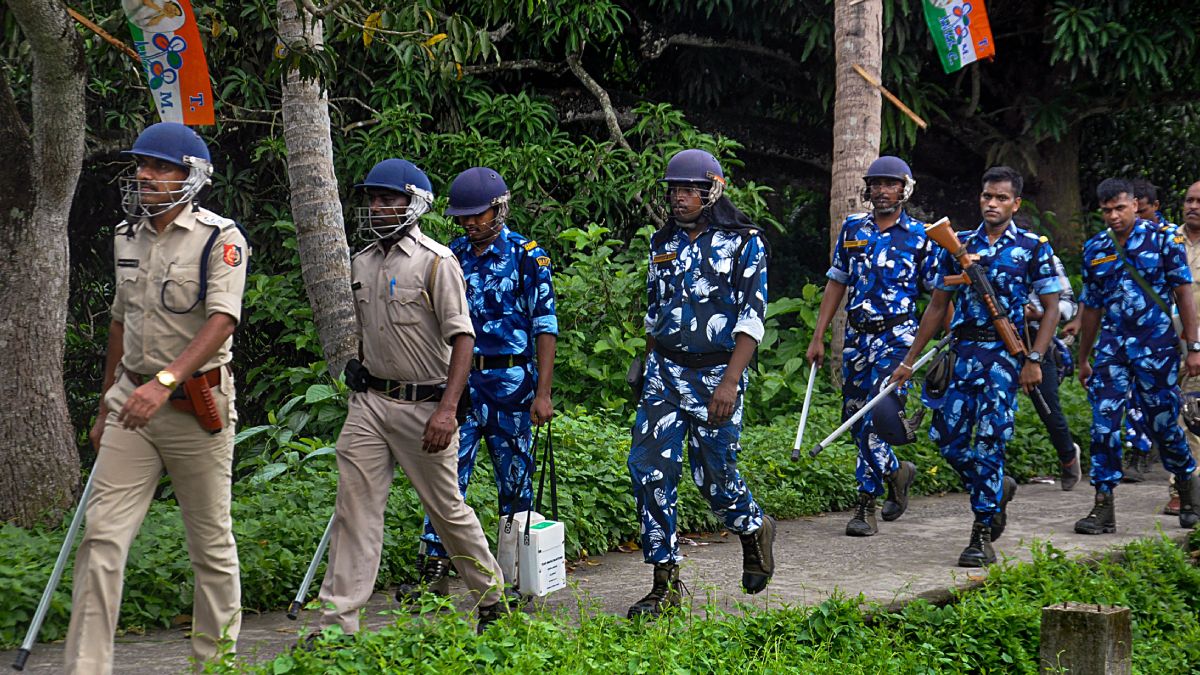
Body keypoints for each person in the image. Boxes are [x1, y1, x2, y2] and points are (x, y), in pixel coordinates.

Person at [66, 122, 247, 673]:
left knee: (210, 544)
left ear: (191, 178)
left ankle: (213, 666)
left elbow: (221, 322)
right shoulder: (126, 234)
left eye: (161, 166)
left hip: (196, 404)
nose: (145, 174)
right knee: (101, 537)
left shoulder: (221, 238)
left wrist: (163, 382)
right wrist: (105, 407)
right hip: (130, 402)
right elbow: (120, 324)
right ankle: (85, 667)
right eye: (142, 165)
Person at [311, 159, 508, 638]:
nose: (378, 207)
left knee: (446, 510)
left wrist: (447, 408)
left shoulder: (436, 262)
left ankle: (492, 600)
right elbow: (366, 329)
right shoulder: (361, 262)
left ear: (414, 204)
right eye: (373, 199)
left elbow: (463, 339)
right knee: (354, 509)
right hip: (370, 405)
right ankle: (337, 625)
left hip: (425, 407)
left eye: (388, 199)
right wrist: (358, 363)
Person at [626, 148, 775, 617]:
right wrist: (646, 362)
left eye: (691, 189)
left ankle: (753, 529)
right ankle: (664, 583)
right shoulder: (661, 242)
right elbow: (656, 310)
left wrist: (731, 381)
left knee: (715, 475)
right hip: (664, 374)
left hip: (718, 374)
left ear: (713, 191)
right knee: (649, 471)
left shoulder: (745, 241)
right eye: (675, 189)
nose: (681, 197)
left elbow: (752, 318)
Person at [397, 167, 558, 599]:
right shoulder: (450, 256)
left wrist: (542, 393)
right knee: (446, 477)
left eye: (478, 215)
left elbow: (545, 326)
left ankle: (519, 576)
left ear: (498, 209)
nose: (470, 223)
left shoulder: (528, 256)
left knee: (515, 481)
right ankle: (434, 571)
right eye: (463, 217)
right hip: (460, 385)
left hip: (512, 383)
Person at [890, 166, 1061, 567]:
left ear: (1016, 204)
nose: (992, 204)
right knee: (945, 438)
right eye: (987, 196)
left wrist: (1034, 358)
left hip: (1004, 358)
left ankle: (982, 531)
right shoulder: (957, 244)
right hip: (963, 356)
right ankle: (996, 488)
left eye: (1002, 198)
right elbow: (936, 306)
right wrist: (908, 361)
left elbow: (1051, 309)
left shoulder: (1033, 247)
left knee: (989, 443)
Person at [807, 156, 934, 536]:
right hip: (857, 337)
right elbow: (836, 282)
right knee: (856, 417)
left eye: (889, 184)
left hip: (897, 338)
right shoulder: (853, 228)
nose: (881, 190)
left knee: (880, 415)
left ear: (905, 189)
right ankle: (896, 472)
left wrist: (924, 350)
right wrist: (819, 335)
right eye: (875, 183)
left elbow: (939, 296)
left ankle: (866, 503)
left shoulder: (922, 236)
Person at [1074, 178, 1200, 535]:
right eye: (1106, 210)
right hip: (1112, 350)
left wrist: (1193, 347)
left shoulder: (1164, 240)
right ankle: (1103, 506)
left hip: (1156, 348)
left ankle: (1187, 485)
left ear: (1135, 205)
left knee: (1163, 423)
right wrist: (1084, 357)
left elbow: (1183, 293)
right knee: (1104, 425)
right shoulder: (1096, 247)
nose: (1113, 216)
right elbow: (1092, 307)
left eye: (1120, 208)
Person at [1024, 253, 1082, 489]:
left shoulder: (1041, 255)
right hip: (993, 340)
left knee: (1047, 406)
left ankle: (1068, 456)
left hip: (1037, 338)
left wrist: (1038, 313)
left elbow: (1067, 303)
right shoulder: (979, 251)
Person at [1164, 181, 1200, 516]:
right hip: (1165, 343)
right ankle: (1182, 487)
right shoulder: (1166, 240)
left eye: (1199, 201)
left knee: (1194, 417)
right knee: (1175, 417)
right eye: (1189, 200)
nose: (1193, 206)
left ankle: (1189, 489)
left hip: (1199, 348)